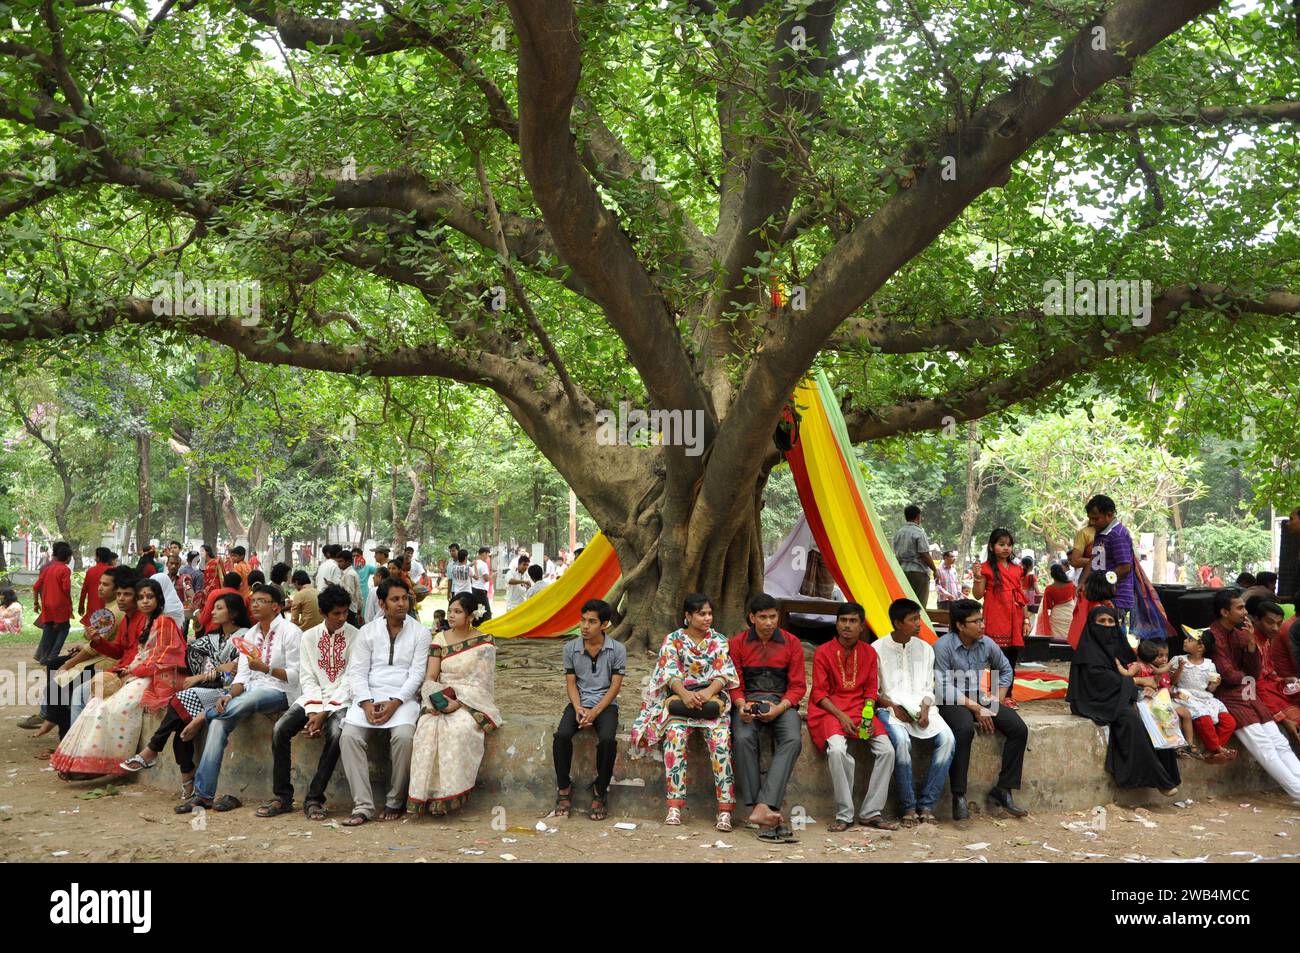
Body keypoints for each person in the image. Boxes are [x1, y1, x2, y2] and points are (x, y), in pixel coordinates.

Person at [175, 584, 301, 813]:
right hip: (248, 692)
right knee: (219, 723)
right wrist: (229, 695)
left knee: (249, 699)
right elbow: (242, 676)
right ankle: (203, 795)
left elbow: (296, 676)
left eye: (261, 601)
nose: (255, 605)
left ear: (276, 607)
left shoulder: (291, 632)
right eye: (253, 601)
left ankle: (204, 716)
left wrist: (266, 669)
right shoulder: (250, 635)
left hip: (281, 692)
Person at [50, 579, 187, 779]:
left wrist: (131, 670)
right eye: (141, 597)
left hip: (156, 678)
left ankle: (103, 765)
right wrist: (102, 645)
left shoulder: (164, 622)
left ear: (159, 599)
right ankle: (84, 760)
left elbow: (163, 657)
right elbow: (131, 653)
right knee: (95, 701)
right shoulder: (145, 621)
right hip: (135, 673)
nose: (145, 601)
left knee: (113, 707)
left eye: (149, 597)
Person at [119, 592, 249, 797]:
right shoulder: (212, 638)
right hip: (208, 689)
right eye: (213, 608)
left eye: (219, 608)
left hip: (230, 691)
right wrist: (211, 673)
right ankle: (187, 776)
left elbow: (236, 670)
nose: (212, 612)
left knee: (181, 698)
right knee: (182, 726)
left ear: (233, 613)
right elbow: (196, 657)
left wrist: (203, 676)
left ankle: (152, 750)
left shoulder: (245, 636)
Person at [630, 593, 740, 832]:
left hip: (711, 702)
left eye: (709, 613)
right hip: (681, 700)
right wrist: (685, 694)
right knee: (675, 737)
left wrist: (708, 693)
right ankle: (674, 806)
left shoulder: (719, 640)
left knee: (721, 743)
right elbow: (668, 672)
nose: (707, 618)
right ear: (688, 616)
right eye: (701, 614)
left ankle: (724, 810)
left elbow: (724, 674)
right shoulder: (673, 640)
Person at [260, 584, 358, 819]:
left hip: (343, 700)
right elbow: (307, 677)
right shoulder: (309, 637)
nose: (342, 618)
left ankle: (314, 798)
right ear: (323, 613)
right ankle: (282, 796)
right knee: (280, 729)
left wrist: (325, 713)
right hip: (312, 698)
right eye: (336, 613)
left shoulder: (356, 635)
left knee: (337, 733)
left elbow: (351, 679)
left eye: (345, 612)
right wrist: (314, 711)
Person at [340, 576, 430, 825]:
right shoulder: (367, 632)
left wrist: (395, 702)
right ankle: (363, 806)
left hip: (403, 698)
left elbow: (417, 674)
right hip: (369, 696)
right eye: (395, 599)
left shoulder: (421, 632)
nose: (402, 604)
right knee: (349, 737)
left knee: (404, 737)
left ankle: (395, 800)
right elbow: (357, 672)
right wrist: (366, 703)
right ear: (382, 603)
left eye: (404, 598)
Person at [406, 592, 503, 817]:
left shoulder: (484, 643)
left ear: (471, 616)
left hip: (469, 701)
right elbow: (431, 677)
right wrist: (436, 701)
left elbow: (482, 684)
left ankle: (448, 796)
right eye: (450, 610)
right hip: (441, 696)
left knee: (459, 729)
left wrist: (458, 703)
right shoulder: (439, 639)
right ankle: (427, 795)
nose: (451, 615)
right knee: (427, 728)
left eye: (457, 612)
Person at [1068, 604, 1180, 795]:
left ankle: (1169, 774)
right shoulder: (1087, 651)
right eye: (1101, 621)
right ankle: (1158, 780)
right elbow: (1100, 680)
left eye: (1110, 621)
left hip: (1121, 693)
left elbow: (1136, 668)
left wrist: (1144, 688)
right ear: (1092, 624)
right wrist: (1136, 682)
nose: (1106, 625)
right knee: (1130, 719)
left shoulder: (1119, 645)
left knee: (1156, 710)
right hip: (1095, 699)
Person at [935, 598, 1030, 819]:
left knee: (1018, 729)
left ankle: (1004, 789)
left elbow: (1005, 670)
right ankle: (959, 795)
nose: (982, 625)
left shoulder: (986, 643)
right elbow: (942, 686)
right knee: (964, 729)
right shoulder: (943, 646)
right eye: (976, 621)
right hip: (950, 699)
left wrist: (996, 700)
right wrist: (977, 708)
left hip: (978, 696)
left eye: (982, 620)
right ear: (960, 625)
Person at [809, 602, 898, 833]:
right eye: (843, 620)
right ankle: (844, 814)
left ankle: (871, 812)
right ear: (837, 624)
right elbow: (819, 693)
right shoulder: (822, 652)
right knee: (837, 751)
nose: (847, 625)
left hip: (861, 709)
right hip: (830, 710)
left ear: (861, 626)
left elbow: (871, 691)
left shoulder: (869, 652)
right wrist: (841, 716)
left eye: (853, 621)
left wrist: (867, 718)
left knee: (888, 751)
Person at [1206, 591, 1300, 803]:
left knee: (1280, 742)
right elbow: (1228, 675)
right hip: (1229, 698)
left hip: (1249, 694)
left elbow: (1255, 672)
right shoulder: (1212, 636)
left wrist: (1250, 645)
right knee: (1265, 748)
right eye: (1240, 608)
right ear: (1224, 612)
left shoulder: (1242, 634)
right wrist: (1246, 674)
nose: (1245, 612)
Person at [727, 593, 805, 837]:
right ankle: (760, 810)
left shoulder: (792, 643)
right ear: (752, 618)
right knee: (742, 738)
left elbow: (798, 686)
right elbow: (734, 684)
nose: (769, 622)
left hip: (781, 703)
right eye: (763, 617)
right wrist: (741, 705)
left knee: (793, 739)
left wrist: (779, 708)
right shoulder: (737, 644)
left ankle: (763, 807)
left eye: (773, 616)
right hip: (748, 702)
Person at [873, 597, 955, 825]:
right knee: (901, 742)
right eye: (913, 619)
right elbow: (874, 691)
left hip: (923, 708)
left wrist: (926, 708)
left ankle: (927, 804)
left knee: (948, 740)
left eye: (919, 618)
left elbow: (929, 687)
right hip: (891, 710)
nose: (919, 624)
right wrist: (892, 706)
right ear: (898, 623)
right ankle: (908, 806)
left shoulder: (926, 649)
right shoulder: (877, 649)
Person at [551, 599, 624, 821]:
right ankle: (564, 788)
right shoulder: (570, 648)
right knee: (561, 736)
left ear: (604, 625)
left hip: (606, 705)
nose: (585, 626)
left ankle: (600, 790)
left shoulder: (617, 649)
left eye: (592, 622)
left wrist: (596, 711)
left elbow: (615, 686)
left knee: (608, 741)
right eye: (583, 620)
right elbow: (571, 683)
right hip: (579, 703)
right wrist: (578, 708)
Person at [19, 541, 74, 731]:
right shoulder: (64, 570)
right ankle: (51, 656)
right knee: (63, 629)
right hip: (60, 605)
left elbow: (36, 586)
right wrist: (70, 603)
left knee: (49, 630)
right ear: (68, 557)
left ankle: (44, 655)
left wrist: (36, 603)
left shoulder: (48, 567)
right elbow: (66, 589)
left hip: (47, 605)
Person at [972, 528, 1026, 707]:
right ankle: (996, 696)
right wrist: (977, 577)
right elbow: (977, 595)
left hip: (1015, 617)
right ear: (991, 546)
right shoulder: (985, 568)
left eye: (1009, 545)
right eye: (1001, 544)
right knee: (997, 657)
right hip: (996, 616)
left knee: (1012, 657)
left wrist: (1026, 620)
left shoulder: (1017, 569)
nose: (1006, 548)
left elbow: (1021, 595)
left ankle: (1008, 695)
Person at [1168, 630, 1237, 763]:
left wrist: (1215, 684)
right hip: (1185, 695)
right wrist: (1180, 669)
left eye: (1190, 639)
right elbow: (1170, 681)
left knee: (1230, 722)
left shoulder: (1209, 665)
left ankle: (1211, 751)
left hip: (1205, 698)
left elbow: (1210, 689)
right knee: (1204, 720)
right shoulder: (1178, 659)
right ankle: (1217, 749)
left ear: (1200, 647)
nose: (1185, 640)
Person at [1244, 599, 1300, 743]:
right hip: (1255, 690)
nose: (1275, 628)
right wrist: (1283, 719)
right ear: (1256, 620)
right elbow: (1255, 683)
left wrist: (1284, 680)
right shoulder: (1250, 642)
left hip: (1271, 686)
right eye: (1270, 622)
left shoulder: (1267, 639)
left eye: (1279, 623)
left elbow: (1270, 672)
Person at [1084, 495, 1136, 624]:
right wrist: (1083, 583)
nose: (1092, 522)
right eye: (1090, 518)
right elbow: (1094, 560)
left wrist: (1102, 585)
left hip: (1115, 598)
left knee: (1107, 632)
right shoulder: (1101, 532)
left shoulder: (1117, 535)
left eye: (1096, 518)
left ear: (1109, 514)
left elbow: (1125, 567)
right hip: (1102, 596)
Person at [891, 504, 937, 608]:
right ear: (918, 517)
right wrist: (935, 569)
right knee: (919, 605)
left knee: (905, 604)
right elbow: (924, 554)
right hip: (918, 572)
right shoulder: (919, 532)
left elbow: (895, 552)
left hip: (903, 572)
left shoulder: (899, 533)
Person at [1039, 563, 1077, 640]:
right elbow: (1073, 597)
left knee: (1057, 639)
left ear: (1052, 575)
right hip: (1071, 612)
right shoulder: (1071, 584)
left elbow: (1049, 605)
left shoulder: (1049, 588)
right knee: (1071, 635)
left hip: (1057, 614)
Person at [78, 547, 116, 625]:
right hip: (108, 607)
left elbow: (84, 590)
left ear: (98, 558)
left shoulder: (90, 571)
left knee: (92, 629)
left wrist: (81, 605)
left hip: (93, 608)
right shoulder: (113, 571)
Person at [335, 548, 362, 625]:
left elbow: (349, 593)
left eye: (341, 561)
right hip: (350, 608)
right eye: (338, 561)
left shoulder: (349, 574)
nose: (338, 564)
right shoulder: (347, 573)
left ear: (349, 562)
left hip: (349, 608)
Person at [471, 546, 493, 622]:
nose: (487, 557)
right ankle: (486, 626)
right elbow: (486, 579)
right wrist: (493, 575)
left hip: (474, 589)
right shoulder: (483, 564)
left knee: (478, 610)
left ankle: (476, 625)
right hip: (481, 590)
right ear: (484, 553)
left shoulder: (474, 563)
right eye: (487, 554)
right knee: (487, 612)